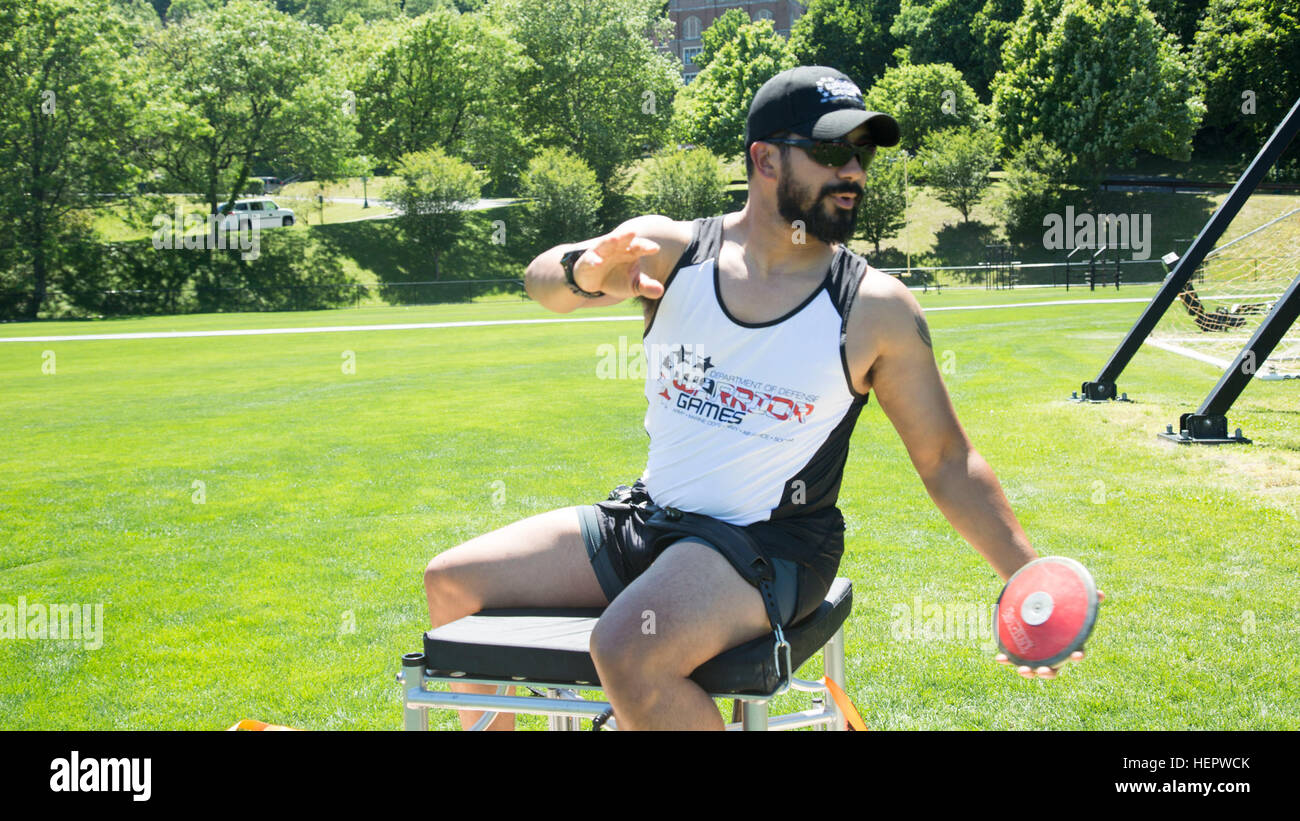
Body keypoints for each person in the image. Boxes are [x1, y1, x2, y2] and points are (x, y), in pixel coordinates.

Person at [423, 66, 1091, 731]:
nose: (853, 172)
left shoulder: (874, 308)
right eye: (830, 151)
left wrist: (1029, 576)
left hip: (772, 547)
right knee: (450, 580)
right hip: (651, 519)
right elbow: (544, 279)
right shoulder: (673, 252)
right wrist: (582, 269)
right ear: (764, 158)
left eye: (861, 153)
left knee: (628, 649)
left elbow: (946, 458)